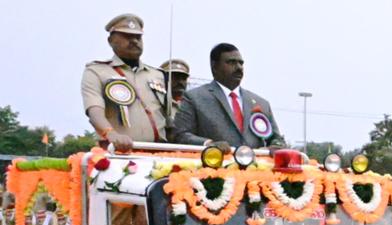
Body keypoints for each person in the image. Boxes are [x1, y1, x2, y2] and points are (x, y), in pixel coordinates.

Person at [171, 43, 285, 150]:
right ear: (214, 66)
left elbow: (276, 139)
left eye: (241, 63)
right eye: (231, 62)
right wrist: (208, 144)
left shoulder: (261, 103)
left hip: (255, 169)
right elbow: (180, 135)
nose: (239, 67)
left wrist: (276, 146)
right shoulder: (194, 98)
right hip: (214, 168)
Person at [82, 14, 168, 152]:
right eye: (127, 36)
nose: (134, 41)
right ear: (110, 41)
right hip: (117, 153)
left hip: (158, 153)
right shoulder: (96, 71)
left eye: (138, 37)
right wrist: (111, 133)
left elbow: (171, 118)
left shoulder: (158, 75)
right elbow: (94, 111)